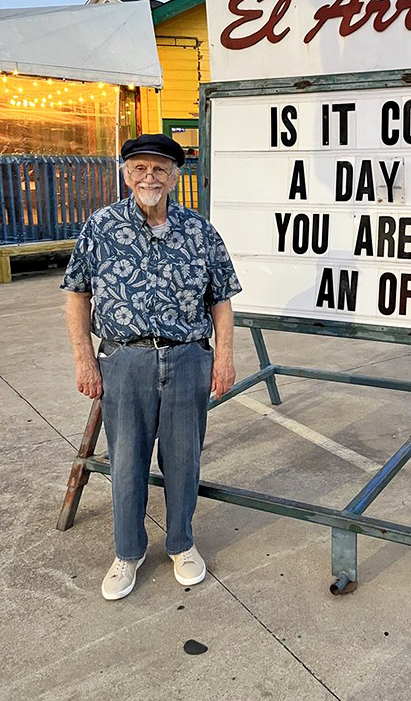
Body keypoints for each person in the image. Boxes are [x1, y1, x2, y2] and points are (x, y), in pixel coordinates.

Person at [61, 133, 241, 600]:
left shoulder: (199, 230)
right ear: (125, 174)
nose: (149, 177)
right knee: (126, 462)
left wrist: (223, 357)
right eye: (139, 168)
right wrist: (85, 359)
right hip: (125, 359)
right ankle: (128, 553)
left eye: (159, 169)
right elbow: (76, 293)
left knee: (184, 458)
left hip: (187, 358)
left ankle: (182, 543)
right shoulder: (101, 227)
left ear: (176, 176)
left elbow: (221, 298)